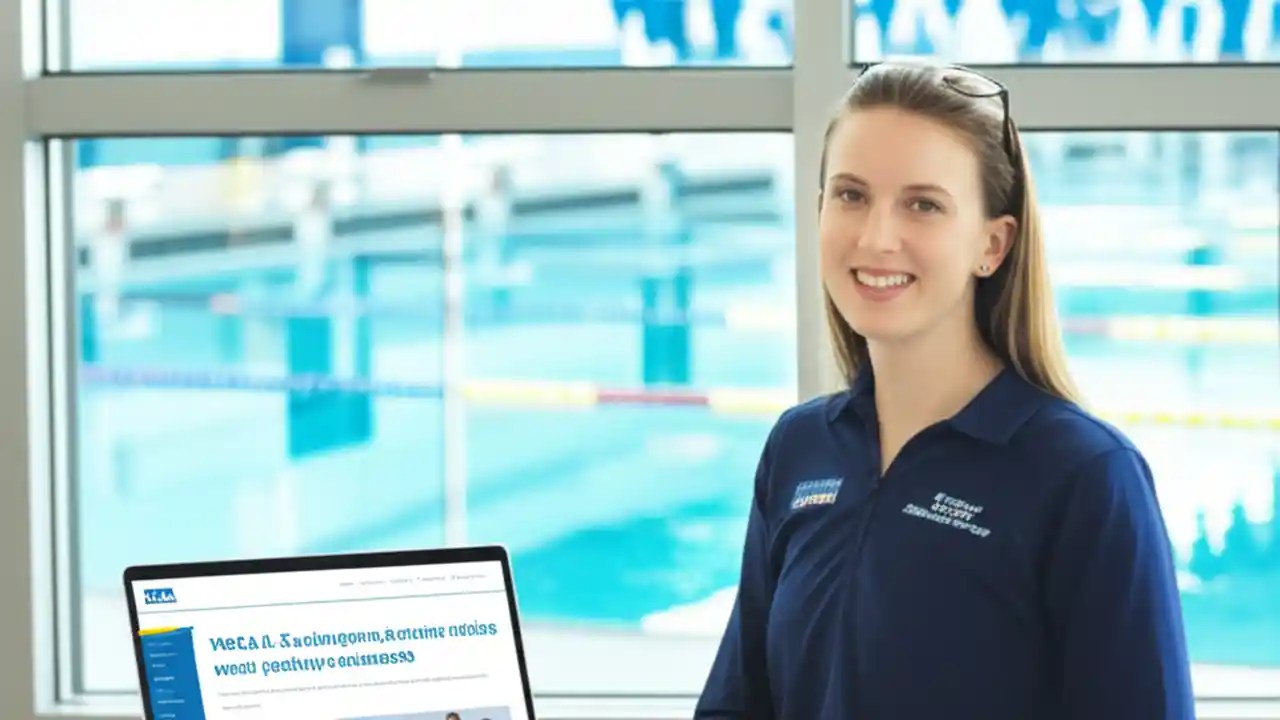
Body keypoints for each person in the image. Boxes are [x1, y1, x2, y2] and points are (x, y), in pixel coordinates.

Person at [694, 59, 1195, 719]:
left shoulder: (1084, 479)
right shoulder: (800, 448)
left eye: (922, 205)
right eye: (850, 195)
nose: (876, 237)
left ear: (993, 243)